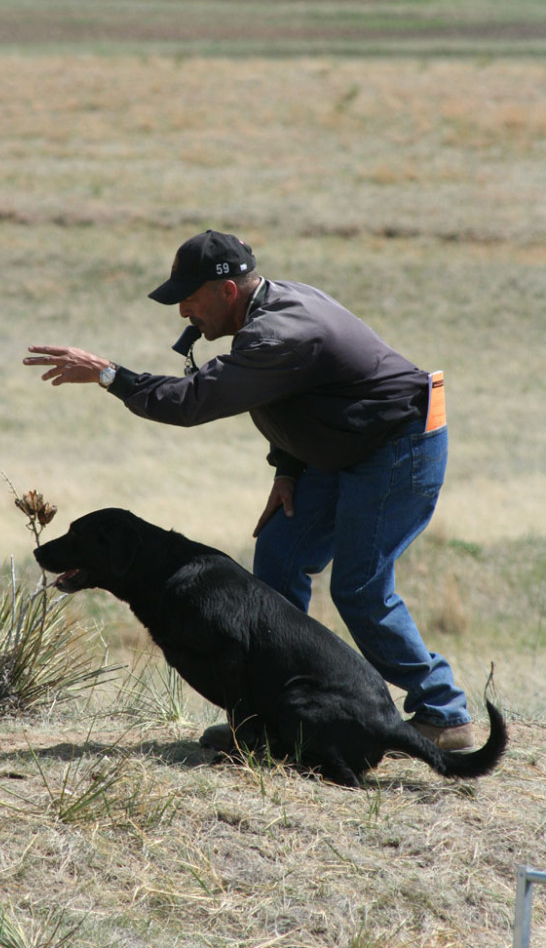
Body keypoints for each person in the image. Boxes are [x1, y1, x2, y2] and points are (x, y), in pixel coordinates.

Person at [24, 229, 475, 752]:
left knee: (358, 587)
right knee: (279, 559)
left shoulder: (276, 334)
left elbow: (190, 403)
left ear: (227, 293)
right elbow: (305, 396)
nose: (182, 314)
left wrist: (108, 375)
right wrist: (286, 469)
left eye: (188, 299)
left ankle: (444, 713)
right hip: (341, 449)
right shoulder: (272, 310)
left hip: (397, 446)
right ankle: (265, 719)